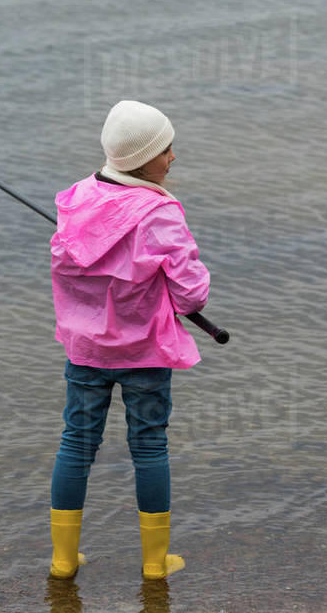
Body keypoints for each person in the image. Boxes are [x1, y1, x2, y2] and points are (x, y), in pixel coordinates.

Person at [48, 99, 210, 582]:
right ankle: (155, 564)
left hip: (87, 351)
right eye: (166, 149)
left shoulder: (74, 198)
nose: (173, 157)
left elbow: (70, 269)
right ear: (144, 158)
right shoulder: (160, 213)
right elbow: (191, 294)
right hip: (144, 351)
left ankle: (62, 560)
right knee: (149, 445)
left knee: (77, 442)